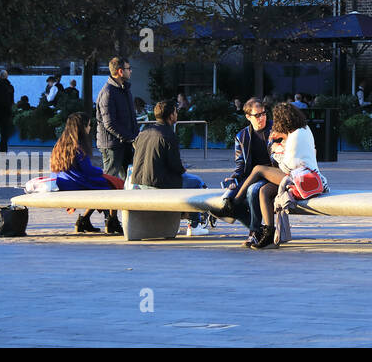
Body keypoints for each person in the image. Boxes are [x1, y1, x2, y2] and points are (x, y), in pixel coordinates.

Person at [227, 103, 322, 249]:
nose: (273, 122)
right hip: (296, 176)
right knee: (264, 191)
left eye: (276, 119)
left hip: (301, 178)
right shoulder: (300, 130)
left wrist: (276, 150)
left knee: (259, 169)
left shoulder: (297, 135)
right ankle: (269, 235)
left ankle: (235, 203)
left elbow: (288, 165)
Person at [129, 100, 210, 234]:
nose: (177, 115)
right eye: (175, 112)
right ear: (171, 116)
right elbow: (175, 165)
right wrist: (182, 170)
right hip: (158, 183)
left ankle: (176, 220)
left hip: (138, 182)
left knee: (188, 181)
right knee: (197, 182)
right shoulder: (168, 135)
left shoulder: (143, 133)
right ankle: (194, 225)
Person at [51, 112, 120, 233]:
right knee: (112, 186)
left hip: (66, 183)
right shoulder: (77, 147)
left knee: (100, 186)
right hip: (76, 183)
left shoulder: (60, 145)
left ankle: (85, 220)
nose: (90, 127)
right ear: (81, 127)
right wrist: (101, 171)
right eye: (88, 125)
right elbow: (88, 170)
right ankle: (112, 221)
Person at [221, 98, 275, 247]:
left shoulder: (275, 129)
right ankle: (257, 231)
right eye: (257, 115)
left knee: (252, 191)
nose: (262, 118)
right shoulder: (242, 136)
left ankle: (254, 232)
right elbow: (240, 164)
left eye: (264, 113)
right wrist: (234, 178)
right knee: (229, 201)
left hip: (272, 175)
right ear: (248, 117)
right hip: (251, 176)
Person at [95, 57, 137, 230]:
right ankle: (109, 220)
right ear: (120, 71)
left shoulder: (125, 89)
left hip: (126, 142)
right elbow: (109, 124)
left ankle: (116, 219)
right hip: (112, 145)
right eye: (128, 68)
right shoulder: (108, 92)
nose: (130, 71)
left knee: (128, 180)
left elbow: (130, 118)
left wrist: (135, 136)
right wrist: (130, 137)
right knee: (110, 183)